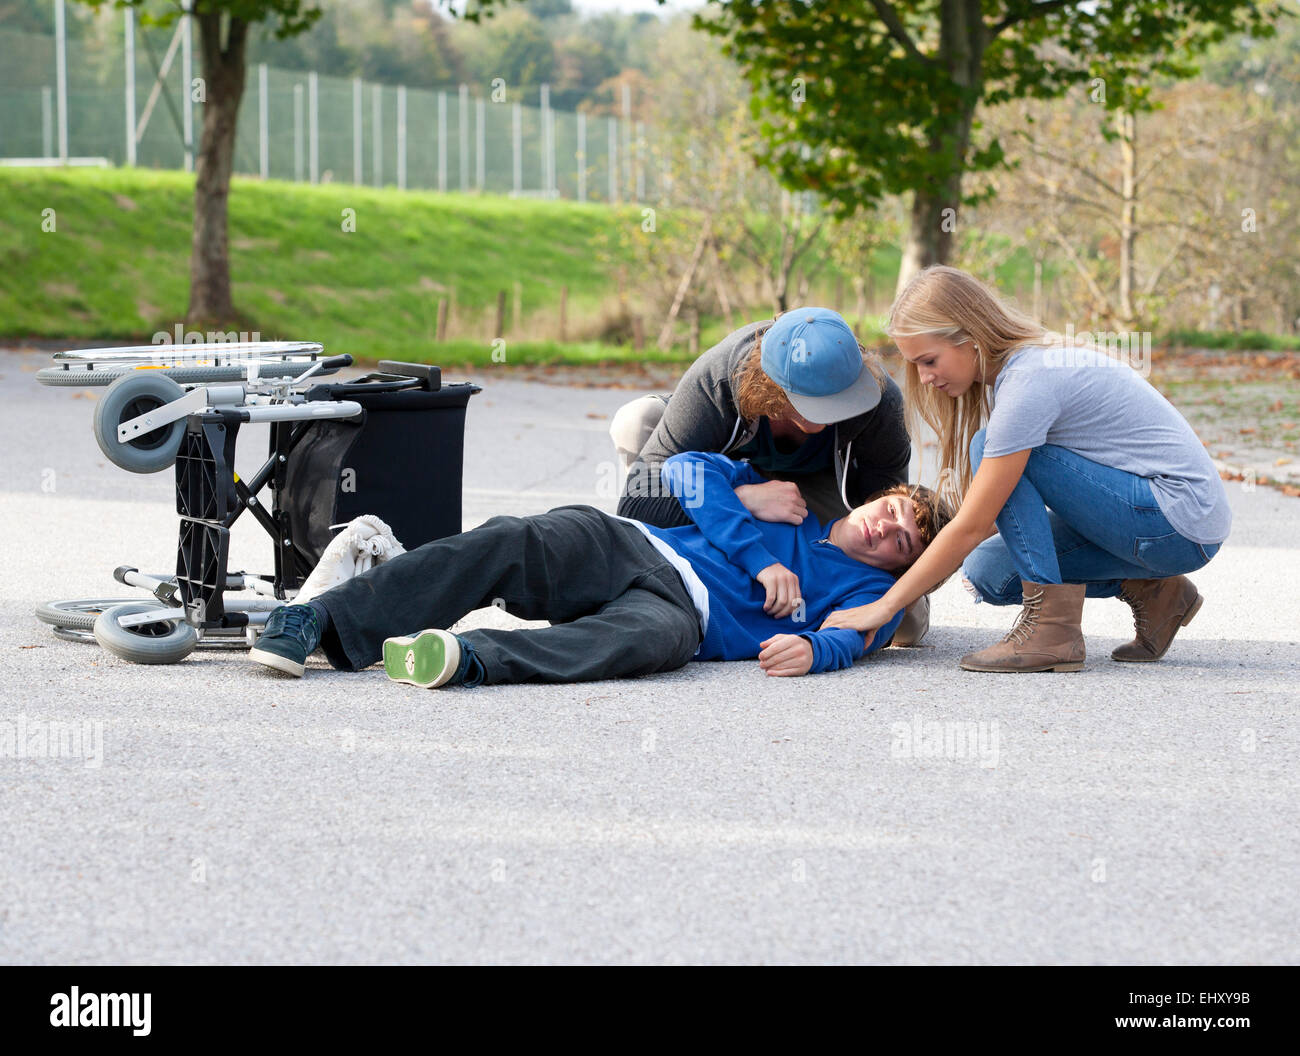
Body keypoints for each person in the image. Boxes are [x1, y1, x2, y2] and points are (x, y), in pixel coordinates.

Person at [821, 265, 1231, 672]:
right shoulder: (1016, 376)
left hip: (1175, 517)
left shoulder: (1029, 381)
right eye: (916, 366)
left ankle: (1052, 632)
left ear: (970, 338)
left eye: (929, 361)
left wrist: (883, 606)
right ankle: (1157, 592)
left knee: (988, 449)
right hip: (1150, 520)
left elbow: (972, 524)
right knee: (991, 571)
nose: (925, 378)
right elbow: (995, 522)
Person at [248, 451, 952, 687]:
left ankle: (463, 658)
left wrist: (813, 647)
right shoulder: (790, 506)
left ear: (905, 565)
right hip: (627, 542)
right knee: (513, 538)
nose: (891, 527)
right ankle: (318, 620)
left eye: (906, 541)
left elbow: (854, 636)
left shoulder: (869, 593)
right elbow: (685, 470)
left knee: (649, 645)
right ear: (875, 498)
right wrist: (763, 552)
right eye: (895, 510)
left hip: (684, 615)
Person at [609, 306, 933, 646]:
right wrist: (741, 499)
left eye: (839, 398)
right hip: (724, 476)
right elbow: (637, 507)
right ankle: (683, 560)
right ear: (771, 387)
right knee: (638, 419)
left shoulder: (878, 402)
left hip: (818, 490)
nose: (831, 415)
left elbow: (887, 519)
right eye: (818, 403)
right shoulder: (719, 379)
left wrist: (884, 606)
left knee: (904, 623)